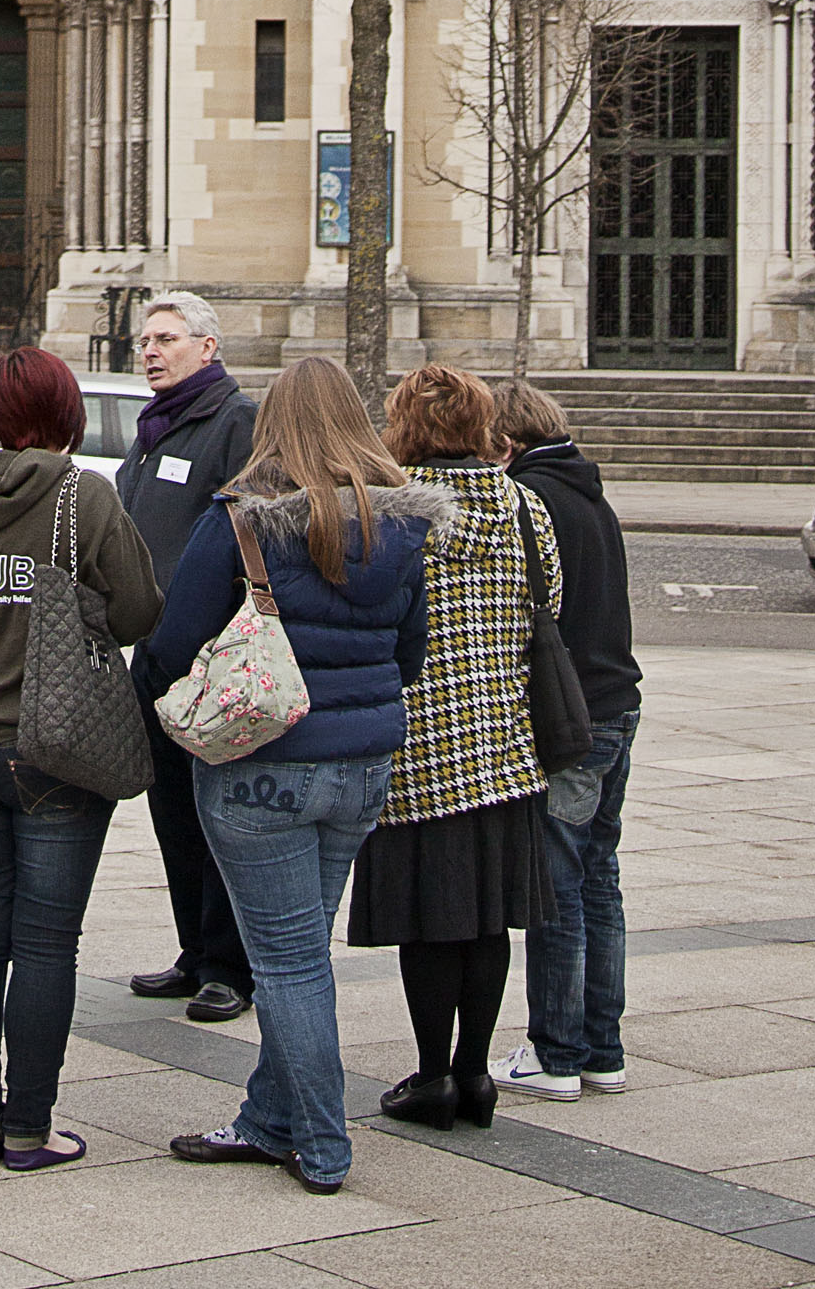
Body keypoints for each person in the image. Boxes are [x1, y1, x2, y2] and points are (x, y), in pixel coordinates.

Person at [141, 356, 439, 1197]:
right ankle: (268, 1118)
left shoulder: (243, 520)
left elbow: (171, 641)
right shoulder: (399, 526)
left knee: (287, 964)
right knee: (300, 952)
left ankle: (321, 1142)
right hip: (362, 766)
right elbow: (409, 653)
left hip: (260, 765)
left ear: (273, 424)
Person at [0, 344, 162, 1172]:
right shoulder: (83, 495)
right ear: (67, 412)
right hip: (55, 746)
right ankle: (29, 1128)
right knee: (48, 943)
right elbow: (138, 611)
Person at [349, 359, 561, 1131]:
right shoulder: (524, 505)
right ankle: (476, 1074)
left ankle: (433, 1074)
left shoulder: (388, 508)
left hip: (416, 752)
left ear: (404, 425)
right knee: (488, 922)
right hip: (504, 749)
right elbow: (552, 602)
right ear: (480, 424)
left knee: (429, 925)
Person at [493, 377, 640, 1100]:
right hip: (615, 704)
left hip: (570, 716)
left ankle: (555, 1052)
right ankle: (602, 1049)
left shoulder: (532, 499)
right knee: (598, 878)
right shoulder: (588, 491)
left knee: (558, 886)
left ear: (505, 442)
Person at [115, 287, 258, 1023]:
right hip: (157, 656)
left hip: (214, 660)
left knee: (219, 816)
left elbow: (251, 533)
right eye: (145, 341)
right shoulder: (155, 427)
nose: (150, 351)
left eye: (166, 339)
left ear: (208, 347)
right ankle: (194, 950)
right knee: (171, 810)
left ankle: (231, 965)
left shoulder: (235, 421)